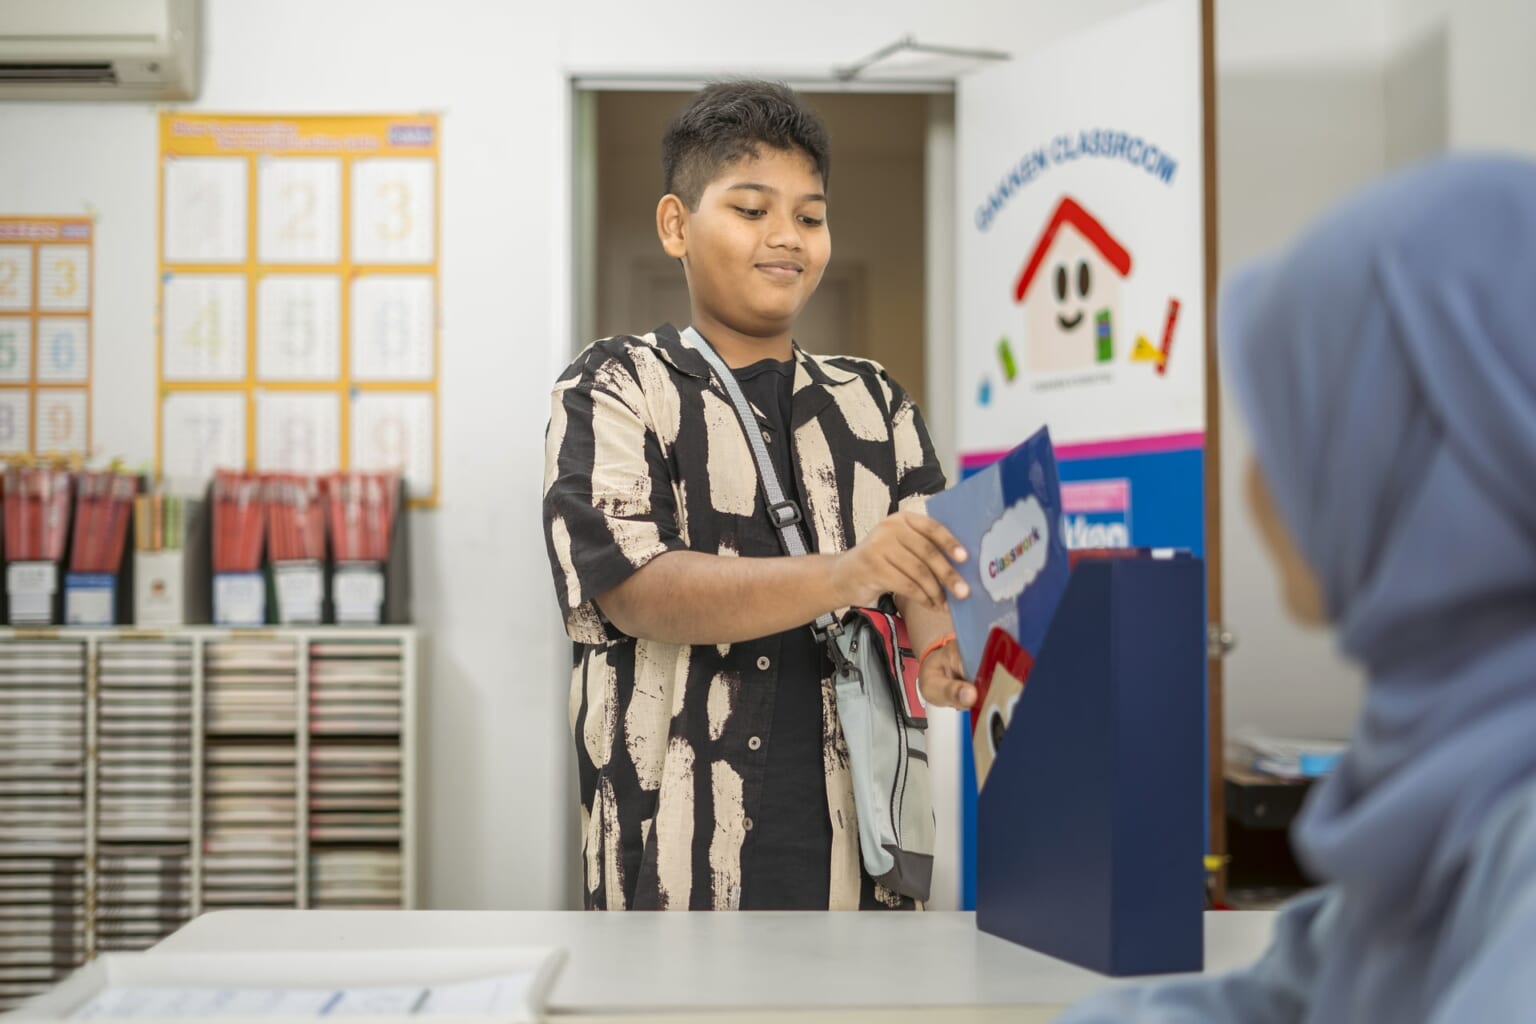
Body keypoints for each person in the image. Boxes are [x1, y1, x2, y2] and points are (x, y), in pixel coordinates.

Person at [1058, 155, 1536, 1020]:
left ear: (1420, 455)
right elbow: (1289, 1001)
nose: (1252, 486)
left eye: (1297, 433)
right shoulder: (1446, 776)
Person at [542, 80, 975, 912]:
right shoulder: (613, 385)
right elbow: (639, 590)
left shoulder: (874, 401)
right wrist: (848, 573)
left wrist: (952, 659)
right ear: (677, 226)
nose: (788, 238)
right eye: (751, 210)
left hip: (865, 865)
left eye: (810, 217)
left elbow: (931, 585)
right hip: (669, 867)